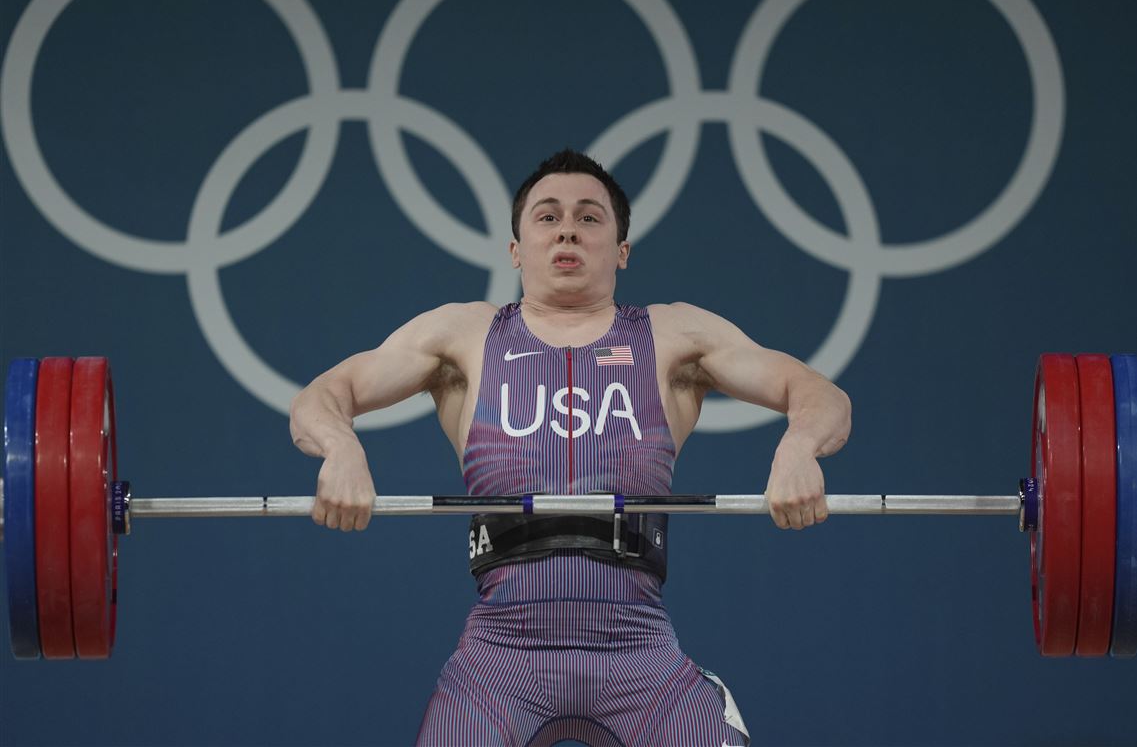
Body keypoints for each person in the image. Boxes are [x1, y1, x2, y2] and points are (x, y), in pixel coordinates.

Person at [289, 149, 851, 746]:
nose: (566, 229)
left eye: (589, 218)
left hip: (641, 659)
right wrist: (341, 448)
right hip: (498, 663)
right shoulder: (461, 335)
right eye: (547, 216)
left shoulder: (674, 335)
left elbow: (819, 395)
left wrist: (799, 446)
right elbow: (324, 395)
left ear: (621, 250)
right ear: (515, 249)